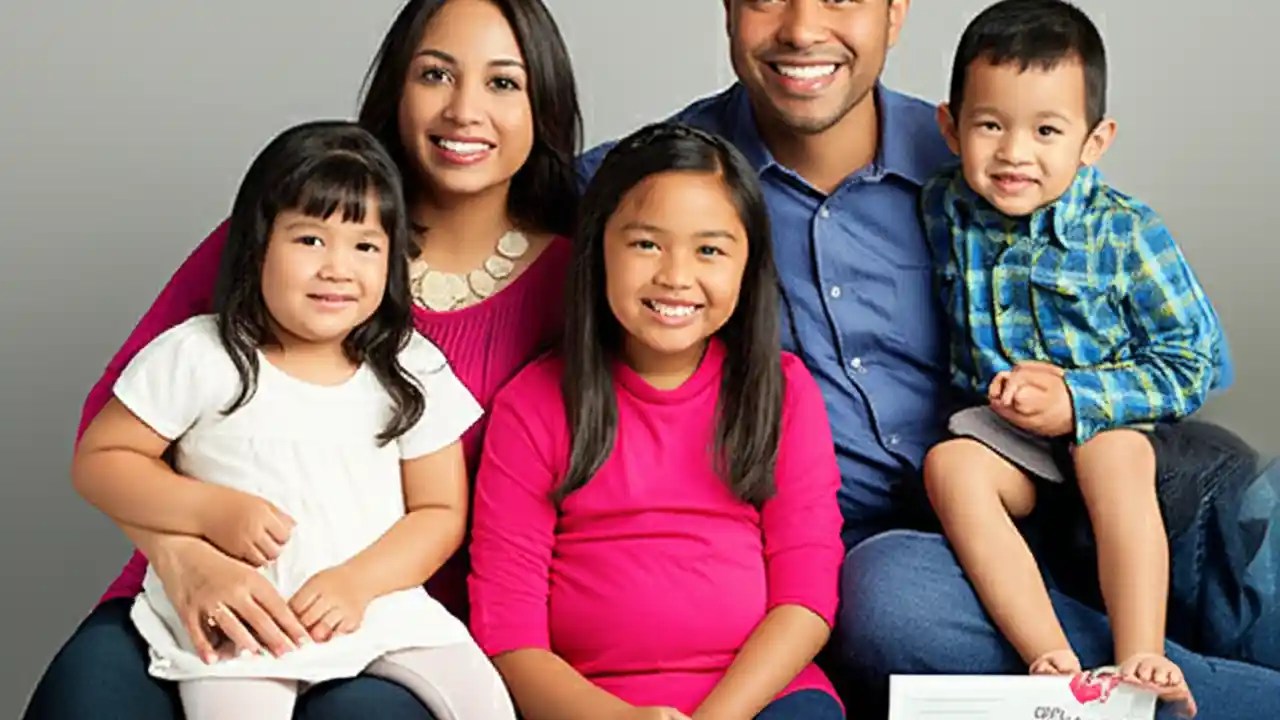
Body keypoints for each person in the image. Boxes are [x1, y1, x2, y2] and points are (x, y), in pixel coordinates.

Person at [577, 1, 1280, 718]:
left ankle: (1154, 659)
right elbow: (502, 194)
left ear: (895, 11)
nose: (801, 27)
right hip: (922, 538)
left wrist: (1081, 399)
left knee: (1249, 517)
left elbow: (1165, 330)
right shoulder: (665, 186)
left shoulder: (985, 143)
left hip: (1097, 462)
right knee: (889, 601)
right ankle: (1177, 690)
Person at [23, 0, 580, 717]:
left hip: (389, 619)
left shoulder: (581, 283)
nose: (464, 109)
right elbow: (109, 444)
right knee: (86, 703)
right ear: (397, 90)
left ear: (545, 104)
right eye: (435, 74)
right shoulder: (279, 232)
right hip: (199, 590)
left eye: (504, 82)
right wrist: (186, 557)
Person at [71, 119, 516, 720]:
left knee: (483, 701)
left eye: (365, 247)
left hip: (374, 604)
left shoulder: (410, 364)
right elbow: (101, 461)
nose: (337, 267)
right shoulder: (203, 353)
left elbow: (439, 513)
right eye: (310, 241)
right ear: (258, 246)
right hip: (240, 614)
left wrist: (358, 583)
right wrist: (207, 510)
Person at [467, 122, 846, 720]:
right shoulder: (533, 406)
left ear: (749, 265)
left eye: (710, 250)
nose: (675, 276)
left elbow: (807, 599)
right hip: (591, 707)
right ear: (598, 250)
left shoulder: (782, 391)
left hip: (764, 699)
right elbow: (509, 636)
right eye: (646, 244)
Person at [920, 0, 1222, 707]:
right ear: (949, 126)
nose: (1015, 153)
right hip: (1009, 438)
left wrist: (1079, 399)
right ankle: (1049, 656)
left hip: (1108, 426)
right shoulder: (942, 208)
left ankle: (1139, 655)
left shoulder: (1125, 233)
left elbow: (1194, 359)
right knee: (950, 465)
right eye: (990, 125)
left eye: (1047, 131)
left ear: (1094, 140)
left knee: (1110, 456)